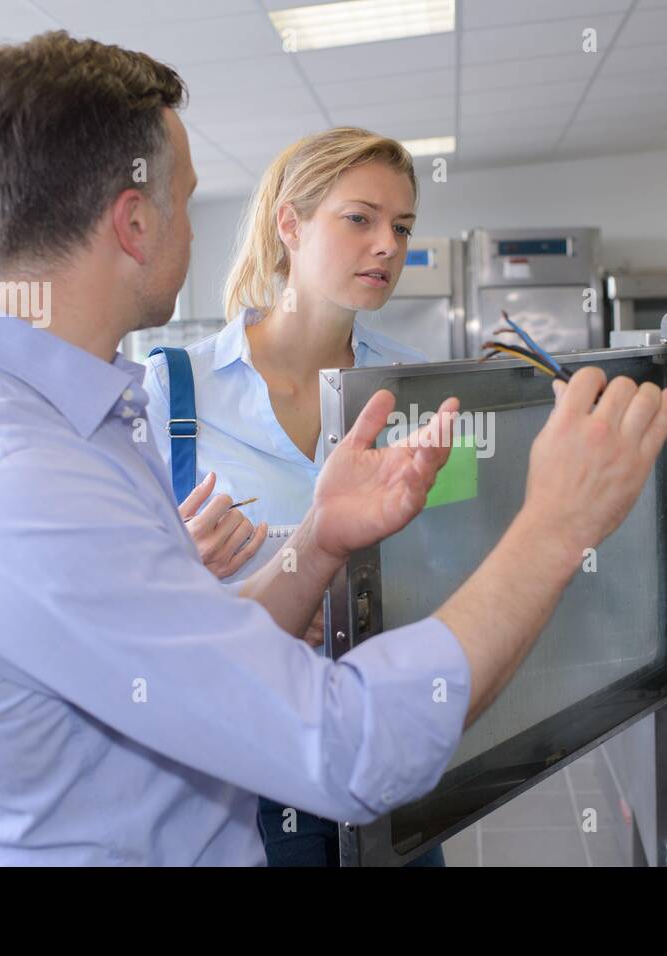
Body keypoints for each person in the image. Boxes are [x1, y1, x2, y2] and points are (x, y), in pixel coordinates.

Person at [0, 30, 667, 866]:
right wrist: (556, 526)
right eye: (185, 199)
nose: (386, 244)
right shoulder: (20, 482)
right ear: (135, 223)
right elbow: (346, 747)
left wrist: (319, 539)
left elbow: (207, 655)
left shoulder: (78, 423)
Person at [144, 127, 441, 866]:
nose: (387, 245)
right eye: (360, 218)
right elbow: (125, 596)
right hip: (243, 770)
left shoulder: (421, 389)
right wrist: (189, 564)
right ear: (291, 223)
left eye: (401, 227)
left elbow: (448, 554)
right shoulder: (175, 389)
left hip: (379, 748)